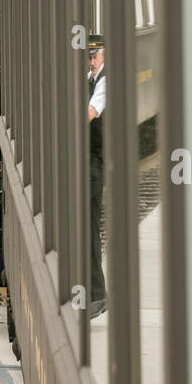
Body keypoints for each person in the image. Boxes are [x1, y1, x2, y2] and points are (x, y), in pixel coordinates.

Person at [88, 34, 107, 318]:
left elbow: (91, 112)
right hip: (85, 160)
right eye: (89, 56)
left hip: (93, 162)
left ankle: (96, 294)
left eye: (95, 56)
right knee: (87, 226)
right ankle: (96, 295)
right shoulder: (89, 77)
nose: (91, 61)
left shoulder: (106, 81)